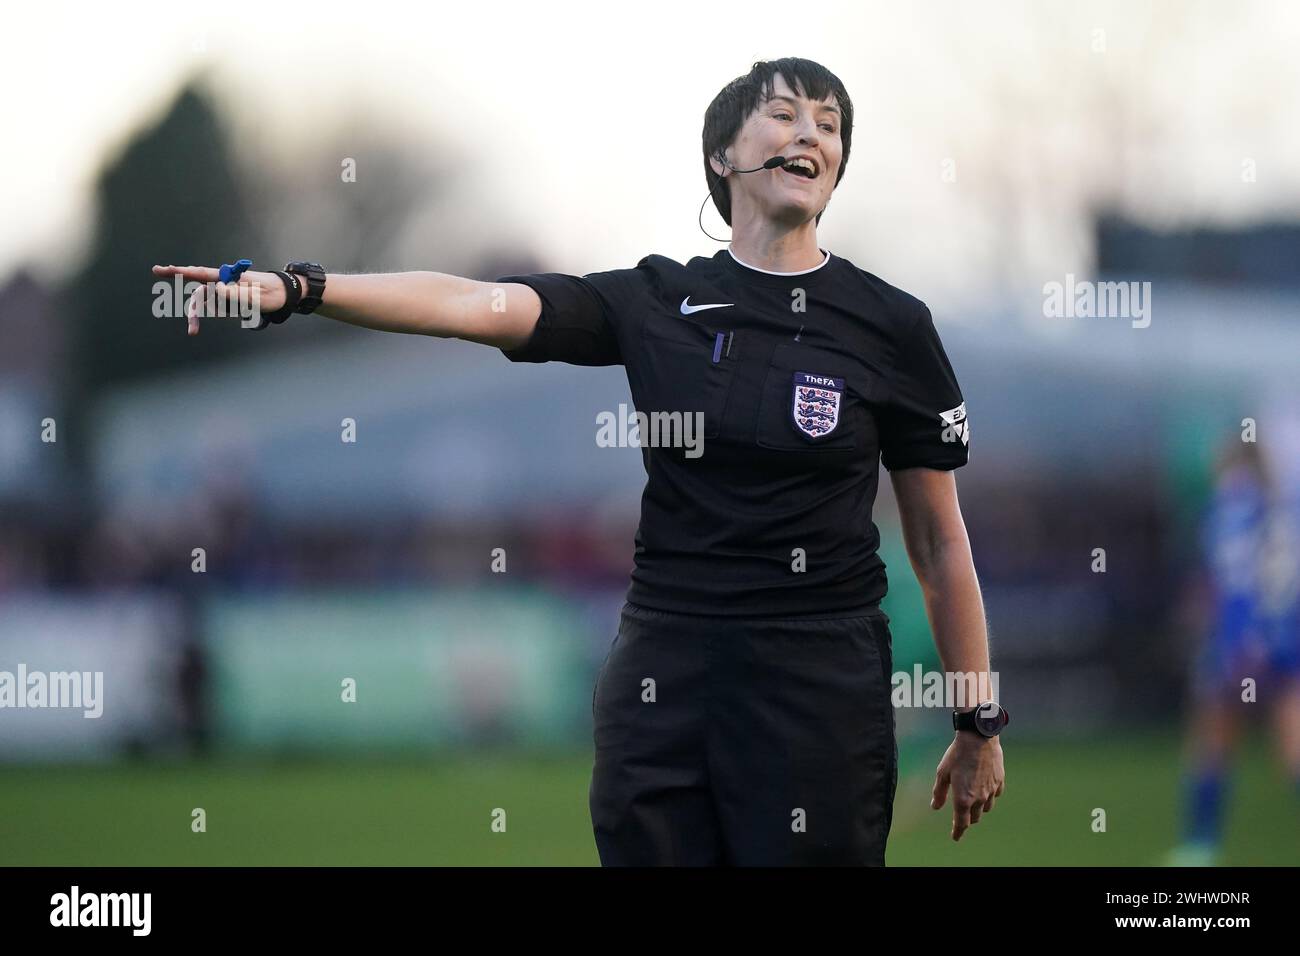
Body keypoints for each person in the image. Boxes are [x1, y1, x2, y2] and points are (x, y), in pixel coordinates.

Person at [152, 56, 1006, 865]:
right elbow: (471, 304)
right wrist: (302, 290)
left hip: (819, 682)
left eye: (830, 124)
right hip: (666, 677)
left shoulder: (891, 325)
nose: (811, 135)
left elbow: (939, 546)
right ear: (722, 154)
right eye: (784, 114)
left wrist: (977, 718)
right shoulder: (656, 299)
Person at [1168, 437, 1300, 866]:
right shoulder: (1280, 510)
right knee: (1287, 748)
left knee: (1213, 745)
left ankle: (1199, 847)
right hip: (1283, 643)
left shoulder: (1228, 510)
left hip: (1239, 644)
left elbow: (1223, 588)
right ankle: (1198, 847)